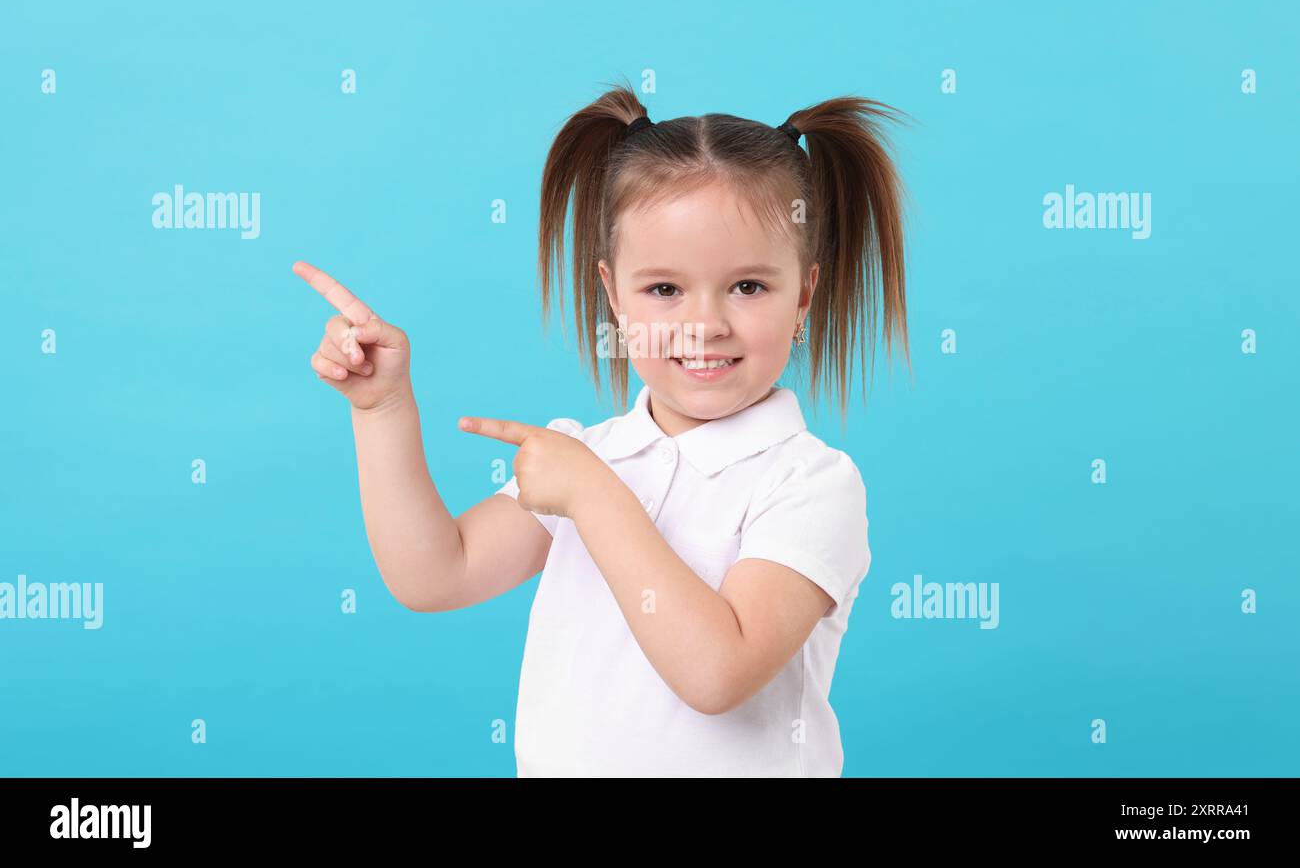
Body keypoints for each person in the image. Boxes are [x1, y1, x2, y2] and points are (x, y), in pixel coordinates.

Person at [292, 82, 912, 776]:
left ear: (804, 295)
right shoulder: (589, 455)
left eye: (747, 286)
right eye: (664, 289)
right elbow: (434, 572)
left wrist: (592, 494)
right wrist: (381, 409)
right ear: (614, 294)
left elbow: (718, 672)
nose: (704, 324)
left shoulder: (809, 484)